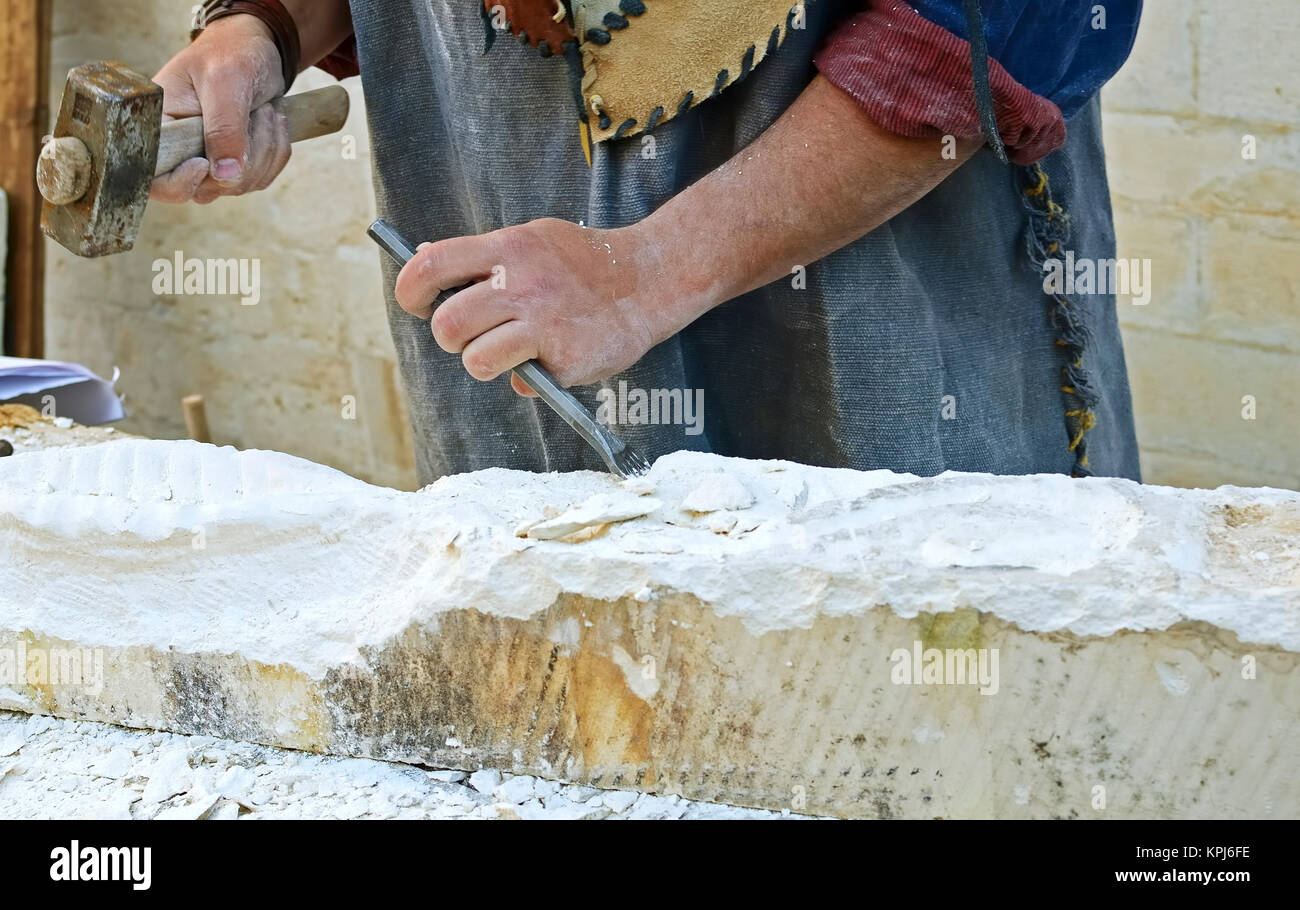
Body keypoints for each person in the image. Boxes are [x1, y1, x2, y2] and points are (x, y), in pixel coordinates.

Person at [152, 0, 1144, 485]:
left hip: (873, 249)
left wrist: (649, 271)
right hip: (504, 208)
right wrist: (265, 27)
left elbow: (1003, 17)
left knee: (901, 698)